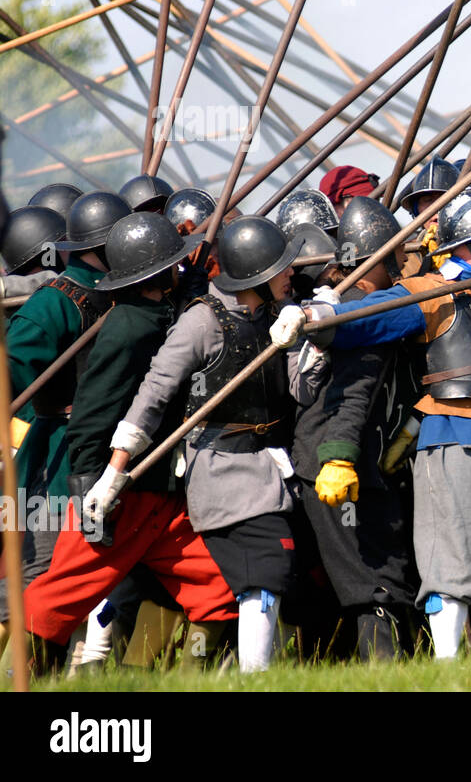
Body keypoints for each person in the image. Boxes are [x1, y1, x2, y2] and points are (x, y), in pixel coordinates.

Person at [283, 185, 471, 658]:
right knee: (453, 557)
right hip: (454, 434)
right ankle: (447, 664)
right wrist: (315, 314)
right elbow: (365, 319)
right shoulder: (429, 292)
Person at [89, 216, 315, 672]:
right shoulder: (201, 323)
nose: (292, 272)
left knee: (264, 576)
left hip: (271, 471)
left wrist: (311, 336)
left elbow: (301, 392)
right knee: (265, 573)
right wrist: (115, 471)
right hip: (223, 471)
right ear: (257, 272)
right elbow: (153, 395)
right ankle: (258, 679)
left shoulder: (275, 317)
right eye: (281, 266)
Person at [23, 213, 236, 676]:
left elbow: (178, 311)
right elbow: (94, 414)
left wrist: (194, 278)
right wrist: (88, 488)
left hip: (159, 488)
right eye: (174, 266)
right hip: (120, 490)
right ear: (158, 272)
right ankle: (17, 678)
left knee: (216, 589)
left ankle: (191, 680)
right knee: (57, 595)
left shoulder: (159, 313)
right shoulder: (128, 327)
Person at [289, 197, 421, 658]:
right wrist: (339, 458)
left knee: (385, 572)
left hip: (362, 462)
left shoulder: (354, 308)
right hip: (335, 464)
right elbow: (353, 393)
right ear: (371, 267)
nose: (402, 272)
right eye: (394, 262)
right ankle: (382, 671)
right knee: (374, 581)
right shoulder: (365, 315)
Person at [0, 191, 127, 652]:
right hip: (58, 457)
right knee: (43, 574)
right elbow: (12, 373)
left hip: (118, 451)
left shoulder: (128, 291)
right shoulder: (51, 305)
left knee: (100, 574)